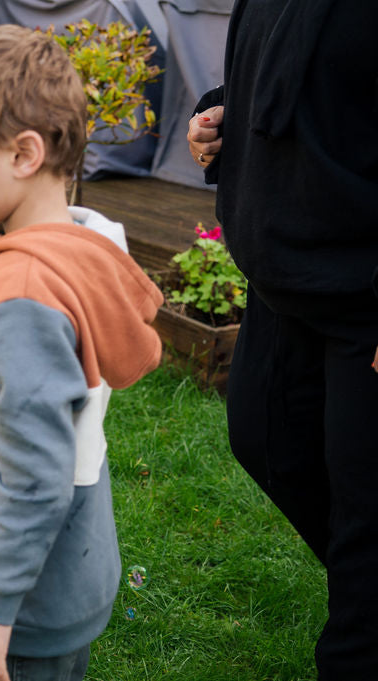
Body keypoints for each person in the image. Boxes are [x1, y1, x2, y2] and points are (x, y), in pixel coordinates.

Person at [0, 26, 163, 681]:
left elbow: (36, 478)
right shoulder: (87, 239)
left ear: (24, 153)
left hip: (21, 609)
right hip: (64, 579)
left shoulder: (21, 292)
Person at [187, 2, 378, 677]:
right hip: (283, 277)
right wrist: (224, 114)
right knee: (267, 442)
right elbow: (291, 69)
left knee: (366, 515)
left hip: (366, 294)